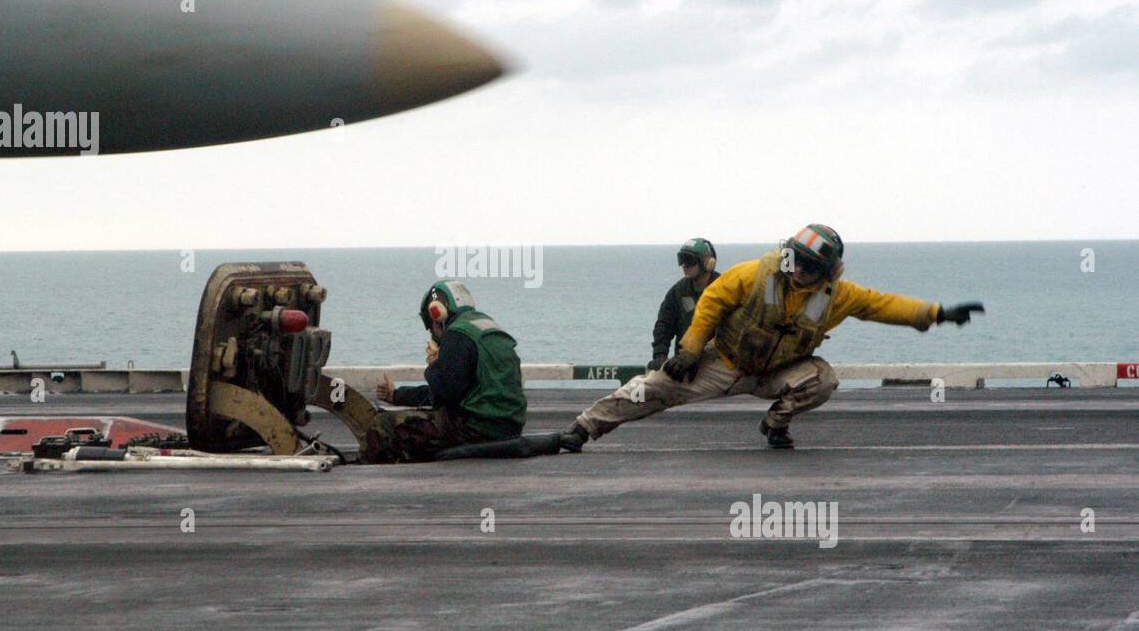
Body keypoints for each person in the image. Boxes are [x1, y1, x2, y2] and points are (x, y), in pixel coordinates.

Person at [560, 224, 984, 451]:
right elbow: (711, 302)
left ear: (829, 271)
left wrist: (937, 314)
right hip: (722, 361)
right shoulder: (756, 272)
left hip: (775, 373)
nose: (799, 271)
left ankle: (774, 425)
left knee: (823, 379)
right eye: (796, 261)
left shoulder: (841, 295)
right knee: (650, 390)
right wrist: (688, 351)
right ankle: (582, 429)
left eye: (810, 267)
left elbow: (883, 305)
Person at [364, 280, 527, 463]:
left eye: (431, 325)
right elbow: (458, 390)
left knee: (383, 424)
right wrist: (396, 395)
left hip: (477, 428)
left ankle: (365, 471)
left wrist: (435, 364)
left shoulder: (456, 334)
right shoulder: (486, 325)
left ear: (437, 316)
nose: (432, 334)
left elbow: (445, 397)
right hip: (509, 427)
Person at [649, 238, 721, 371]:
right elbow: (663, 326)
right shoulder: (678, 292)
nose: (684, 265)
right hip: (683, 365)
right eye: (681, 259)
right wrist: (660, 356)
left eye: (689, 260)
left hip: (717, 365)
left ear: (708, 263)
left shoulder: (724, 289)